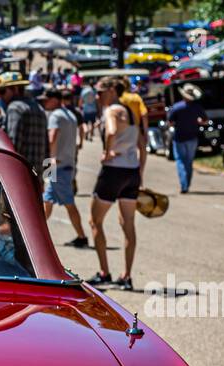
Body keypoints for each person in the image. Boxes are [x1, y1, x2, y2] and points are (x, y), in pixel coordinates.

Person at [89, 77, 141, 289]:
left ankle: (104, 272)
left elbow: (111, 131)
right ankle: (127, 275)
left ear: (111, 91)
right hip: (132, 170)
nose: (97, 97)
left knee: (95, 221)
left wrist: (107, 152)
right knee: (128, 224)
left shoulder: (111, 111)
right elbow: (142, 143)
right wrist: (141, 172)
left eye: (100, 92)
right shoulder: (130, 111)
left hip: (113, 171)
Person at [41, 87, 89, 248]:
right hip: (67, 164)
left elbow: (52, 136)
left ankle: (82, 236)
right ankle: (37, 235)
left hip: (57, 166)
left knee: (67, 203)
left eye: (46, 100)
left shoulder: (55, 115)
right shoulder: (70, 115)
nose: (44, 103)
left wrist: (49, 160)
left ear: (54, 99)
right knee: (47, 200)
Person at [0, 71, 48, 181]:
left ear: (15, 89)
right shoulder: (39, 109)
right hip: (36, 177)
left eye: (2, 91)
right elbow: (47, 149)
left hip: (20, 177)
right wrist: (46, 179)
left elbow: (13, 147)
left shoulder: (15, 108)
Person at [168, 82, 208, 193]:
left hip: (179, 137)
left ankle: (184, 185)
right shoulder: (197, 107)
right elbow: (205, 121)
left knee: (180, 161)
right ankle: (187, 183)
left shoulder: (176, 107)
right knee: (189, 161)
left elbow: (170, 122)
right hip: (192, 137)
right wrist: (198, 122)